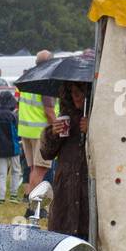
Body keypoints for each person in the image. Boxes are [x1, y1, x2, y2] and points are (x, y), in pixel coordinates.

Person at [39, 80, 90, 238]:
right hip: (65, 190)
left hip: (90, 191)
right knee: (63, 235)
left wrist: (94, 129)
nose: (76, 98)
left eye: (79, 93)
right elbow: (46, 153)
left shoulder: (103, 117)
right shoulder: (66, 116)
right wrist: (53, 133)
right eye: (72, 93)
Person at [18, 49, 56, 196]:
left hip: (26, 130)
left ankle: (31, 201)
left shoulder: (29, 77)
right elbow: (49, 110)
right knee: (40, 170)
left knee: (34, 169)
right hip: (41, 131)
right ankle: (33, 206)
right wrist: (57, 128)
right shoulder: (46, 81)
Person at [0, 89, 22, 203]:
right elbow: (18, 132)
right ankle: (13, 195)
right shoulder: (13, 116)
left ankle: (1, 197)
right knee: (15, 171)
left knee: (0, 173)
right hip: (13, 148)